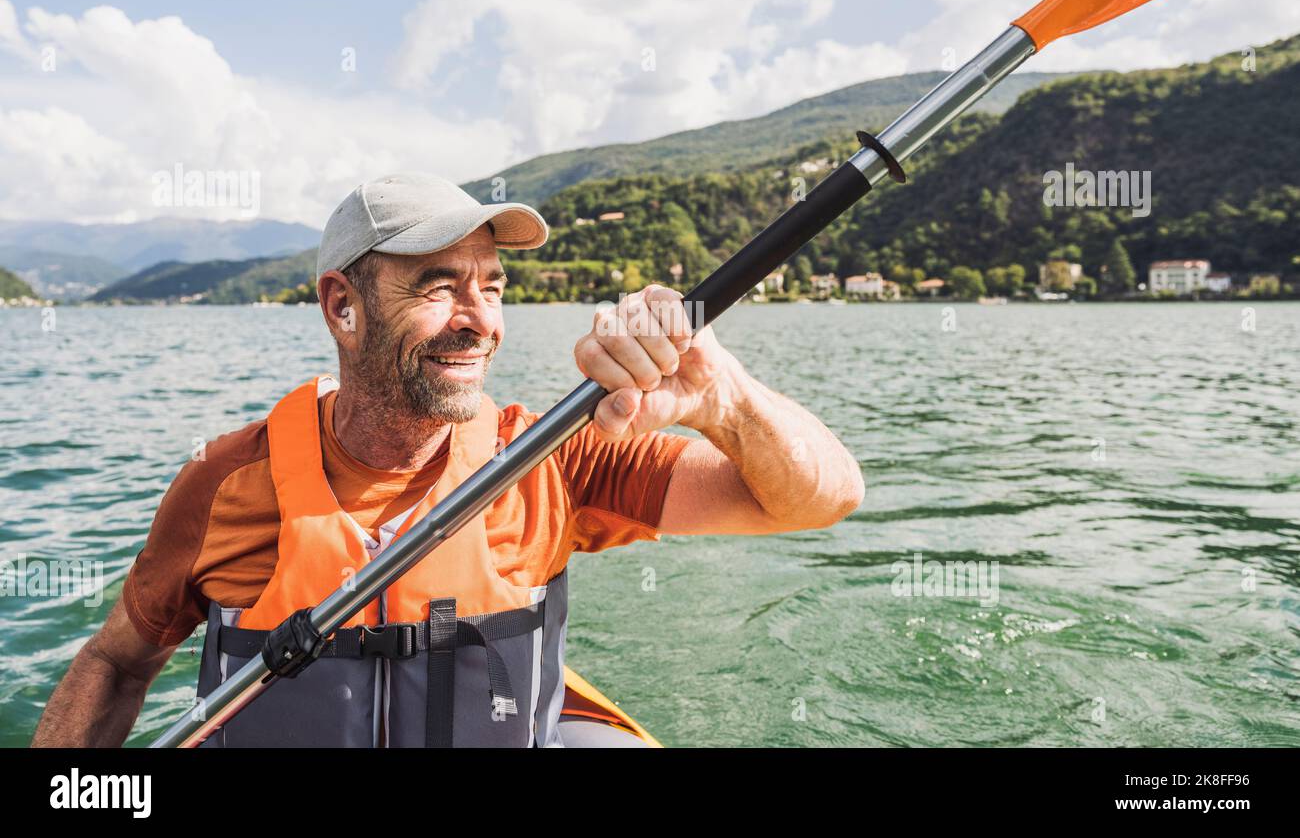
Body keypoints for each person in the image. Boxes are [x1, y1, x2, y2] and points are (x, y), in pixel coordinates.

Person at [32, 172, 864, 747]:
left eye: (493, 285)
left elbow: (819, 498)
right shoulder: (225, 484)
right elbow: (116, 663)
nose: (479, 319)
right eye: (438, 285)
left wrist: (724, 396)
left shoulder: (551, 458)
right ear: (342, 305)